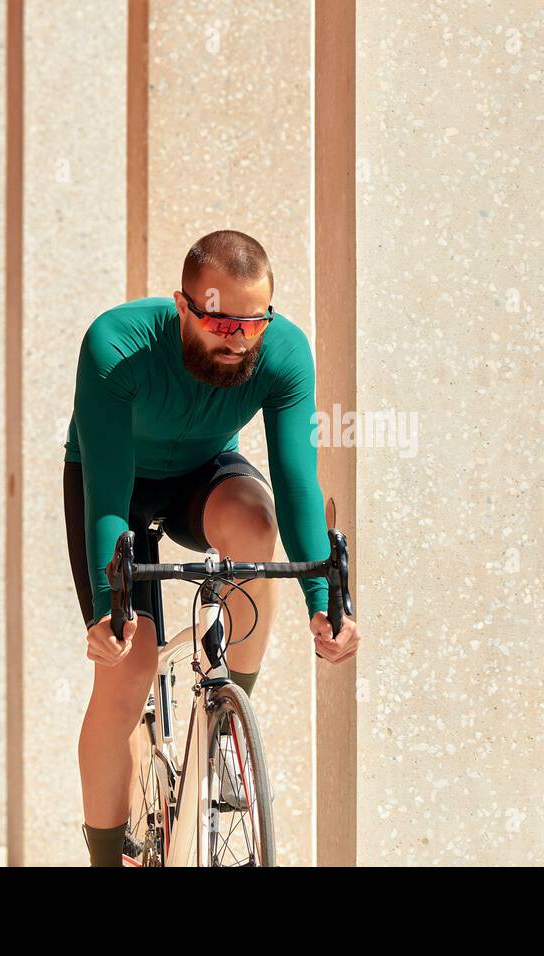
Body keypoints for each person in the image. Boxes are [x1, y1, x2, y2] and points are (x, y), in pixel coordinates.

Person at [63, 229, 361, 866]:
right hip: (115, 482)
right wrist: (103, 607)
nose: (236, 340)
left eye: (252, 323)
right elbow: (109, 492)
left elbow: (296, 480)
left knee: (257, 526)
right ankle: (106, 858)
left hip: (201, 472)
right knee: (128, 675)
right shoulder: (115, 344)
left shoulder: (281, 352)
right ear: (182, 306)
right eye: (220, 322)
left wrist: (321, 599)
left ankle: (228, 723)